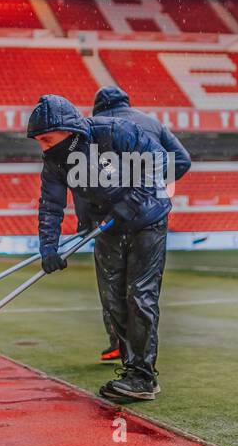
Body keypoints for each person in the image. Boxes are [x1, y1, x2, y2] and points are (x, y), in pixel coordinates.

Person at [27, 94, 179, 403]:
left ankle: (143, 376)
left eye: (47, 139)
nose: (44, 146)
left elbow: (160, 160)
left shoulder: (113, 132)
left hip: (148, 219)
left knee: (139, 295)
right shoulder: (55, 161)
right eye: (39, 141)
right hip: (108, 225)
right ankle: (132, 371)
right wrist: (48, 248)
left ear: (67, 129)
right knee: (112, 301)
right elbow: (51, 206)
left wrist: (132, 202)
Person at [89, 87, 191, 363]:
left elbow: (86, 174)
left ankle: (123, 351)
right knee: (142, 292)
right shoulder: (151, 122)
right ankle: (141, 366)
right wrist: (151, 186)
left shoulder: (94, 127)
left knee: (112, 290)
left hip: (111, 217)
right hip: (151, 215)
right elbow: (182, 161)